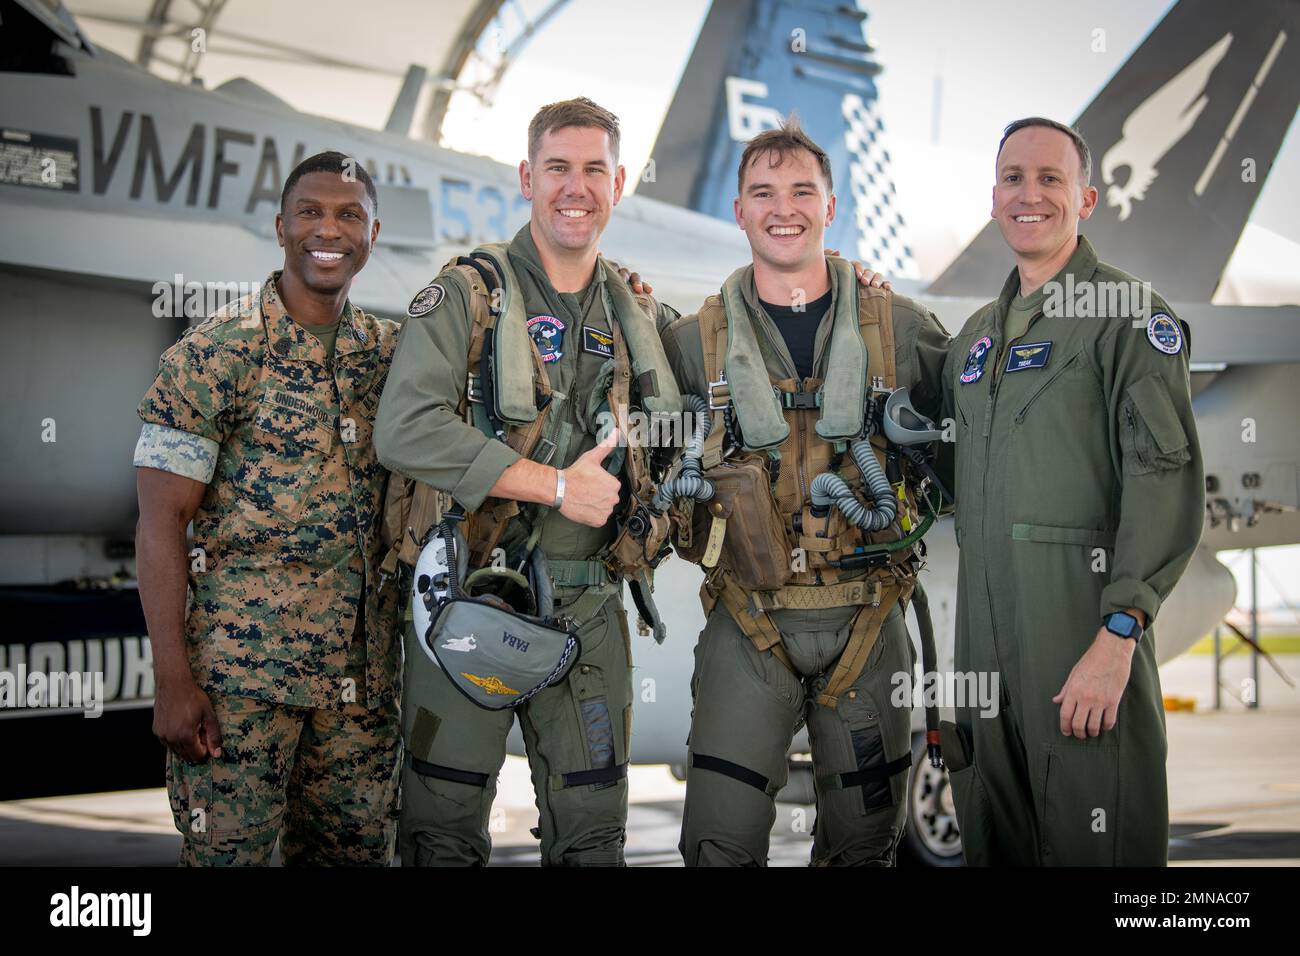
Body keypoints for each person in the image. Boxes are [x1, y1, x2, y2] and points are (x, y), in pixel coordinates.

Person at [374, 97, 686, 867]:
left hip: (589, 607)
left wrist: (847, 278)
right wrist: (551, 486)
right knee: (439, 839)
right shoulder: (465, 295)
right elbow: (404, 427)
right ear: (526, 177)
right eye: (557, 168)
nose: (574, 188)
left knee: (593, 843)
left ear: (617, 186)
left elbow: (734, 367)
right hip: (468, 598)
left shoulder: (643, 314)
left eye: (593, 171)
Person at [658, 117, 951, 866]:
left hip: (868, 623)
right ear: (739, 211)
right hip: (747, 624)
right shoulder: (694, 343)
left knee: (863, 848)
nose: (782, 208)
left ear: (830, 205)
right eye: (763, 192)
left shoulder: (902, 329)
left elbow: (969, 446)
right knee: (718, 847)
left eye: (800, 191)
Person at [938, 117, 1204, 865]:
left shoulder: (1128, 319)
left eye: (1050, 179)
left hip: (1079, 649)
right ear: (994, 199)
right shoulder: (975, 341)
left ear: (1086, 198)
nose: (1030, 195)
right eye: (1014, 179)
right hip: (987, 663)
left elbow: (1164, 479)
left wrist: (1119, 637)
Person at [134, 151, 402, 866]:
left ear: (374, 233)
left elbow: (505, 342)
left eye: (350, 215)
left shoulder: (388, 354)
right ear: (281, 226)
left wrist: (620, 288)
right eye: (311, 212)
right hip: (240, 691)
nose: (329, 230)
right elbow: (161, 522)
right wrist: (171, 680)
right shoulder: (213, 356)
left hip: (360, 691)